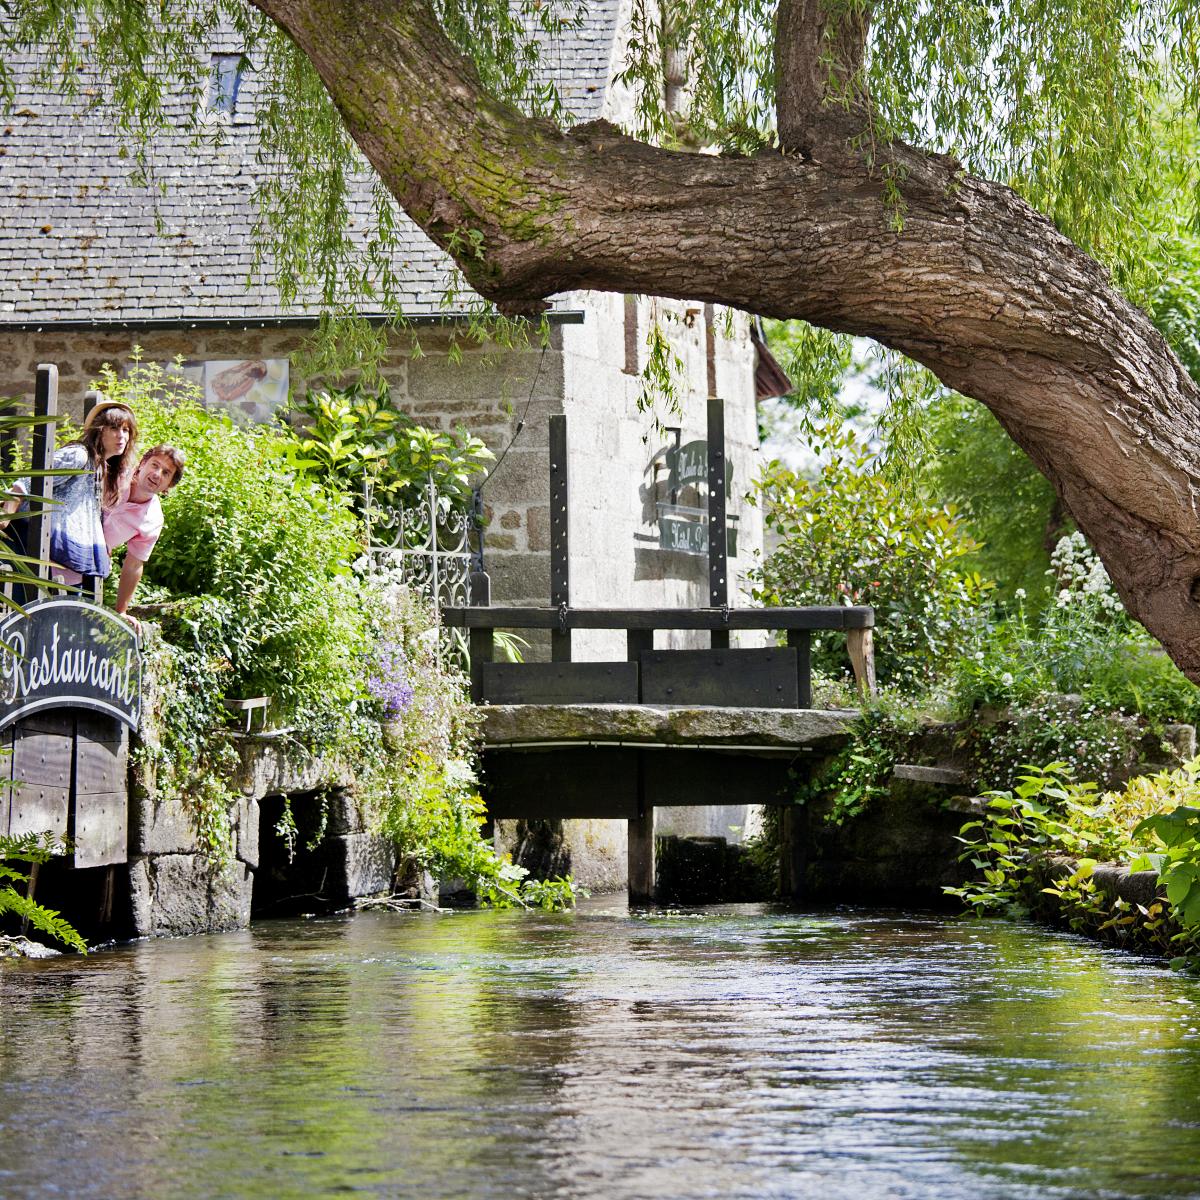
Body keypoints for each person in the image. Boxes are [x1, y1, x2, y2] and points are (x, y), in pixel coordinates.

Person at [3, 400, 140, 588]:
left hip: (63, 567)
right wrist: (7, 513)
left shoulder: (100, 469)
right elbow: (30, 481)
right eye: (114, 428)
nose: (121, 436)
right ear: (99, 430)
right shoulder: (79, 455)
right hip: (34, 549)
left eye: (126, 430)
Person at [102, 444, 186, 618]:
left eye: (166, 473)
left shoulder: (153, 520)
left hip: (88, 564)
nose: (157, 474)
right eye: (155, 465)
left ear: (169, 485)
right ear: (142, 463)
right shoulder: (115, 472)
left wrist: (121, 612)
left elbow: (133, 565)